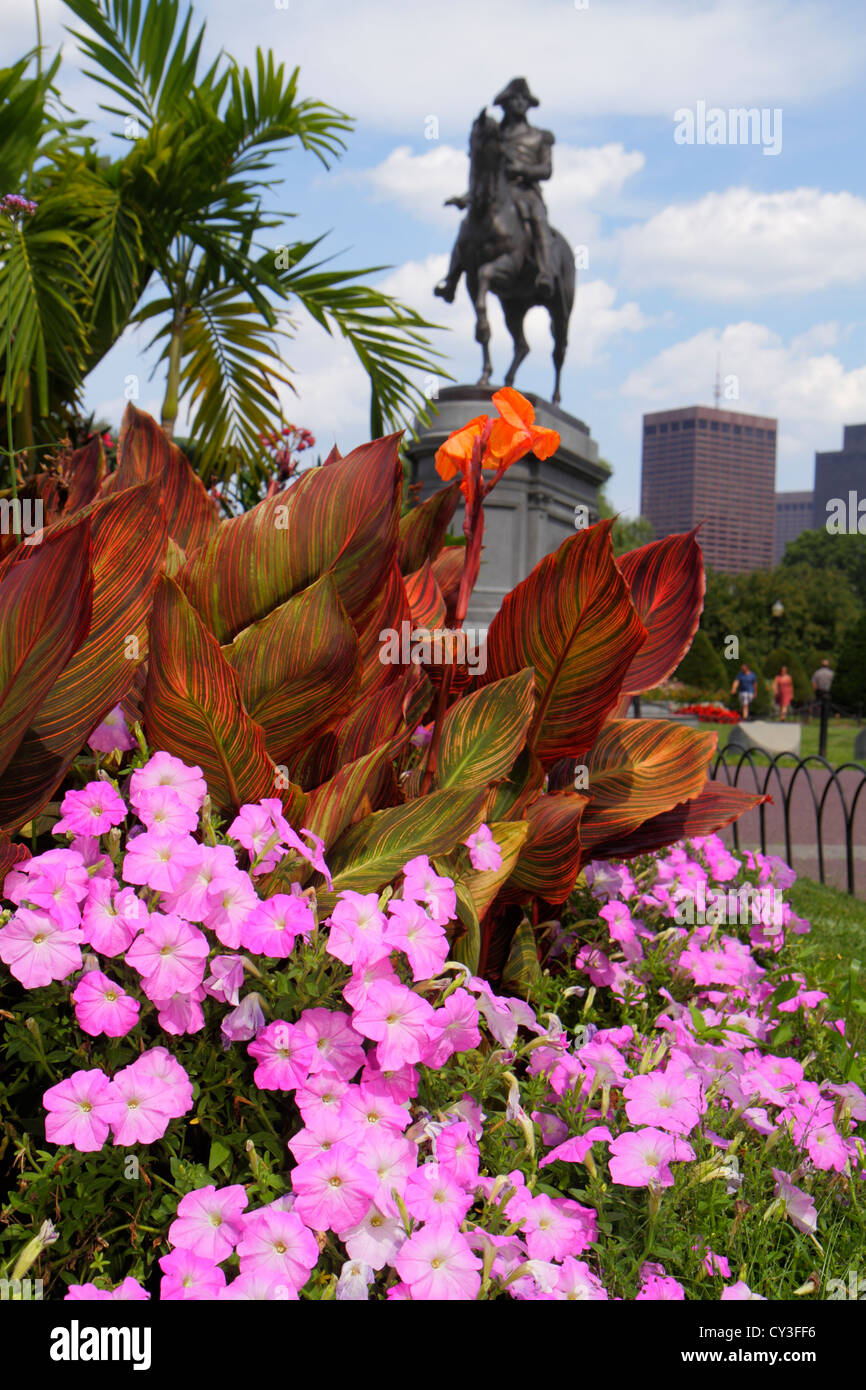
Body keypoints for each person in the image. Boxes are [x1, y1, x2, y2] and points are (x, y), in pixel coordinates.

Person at [435, 77, 556, 302]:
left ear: (529, 104)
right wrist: (467, 197)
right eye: (514, 99)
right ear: (505, 104)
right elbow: (484, 172)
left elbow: (547, 170)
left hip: (527, 192)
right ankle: (451, 280)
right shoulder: (497, 136)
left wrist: (523, 169)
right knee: (467, 225)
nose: (519, 103)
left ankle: (546, 272)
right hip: (497, 190)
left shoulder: (540, 136)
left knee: (539, 220)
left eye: (523, 99)